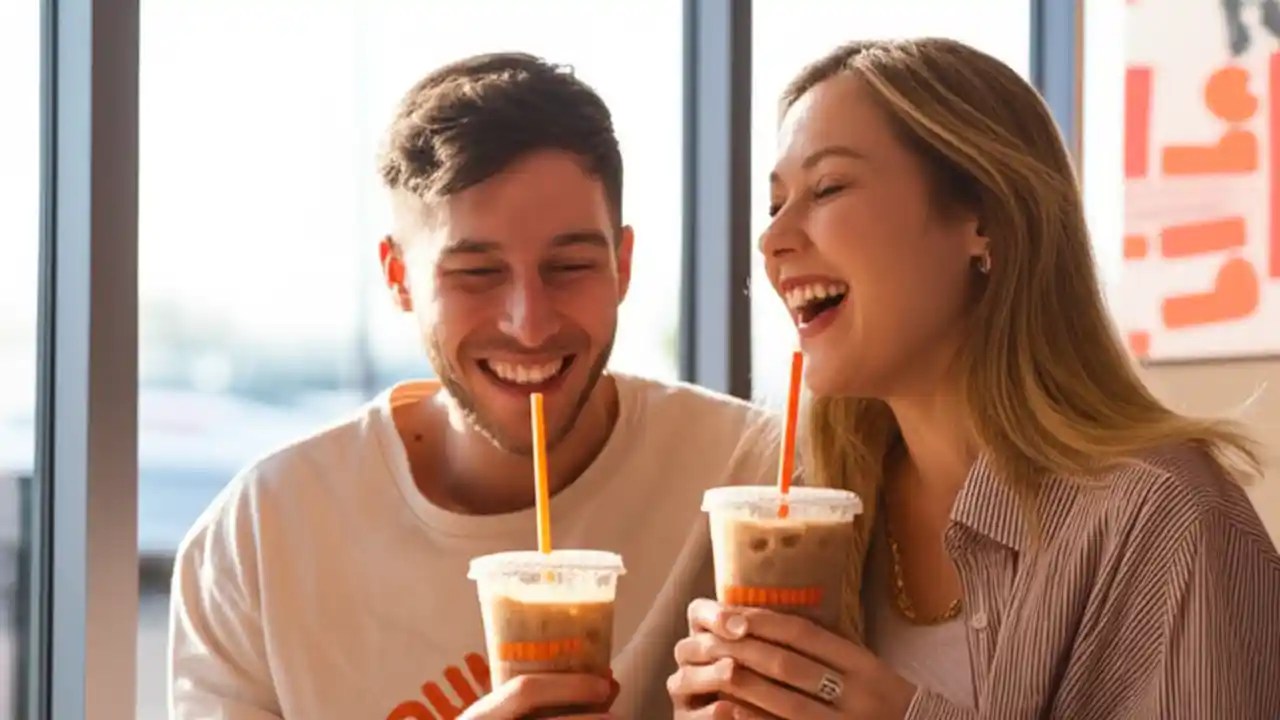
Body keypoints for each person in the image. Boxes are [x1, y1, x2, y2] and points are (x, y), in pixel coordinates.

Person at [668, 37, 1280, 719]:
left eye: (828, 187)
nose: (771, 239)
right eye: (775, 203)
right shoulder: (819, 512)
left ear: (981, 220)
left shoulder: (1166, 522)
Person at [168, 52, 779, 720]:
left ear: (622, 264)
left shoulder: (750, 478)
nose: (530, 323)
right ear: (399, 277)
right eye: (476, 273)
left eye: (570, 264)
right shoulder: (261, 535)